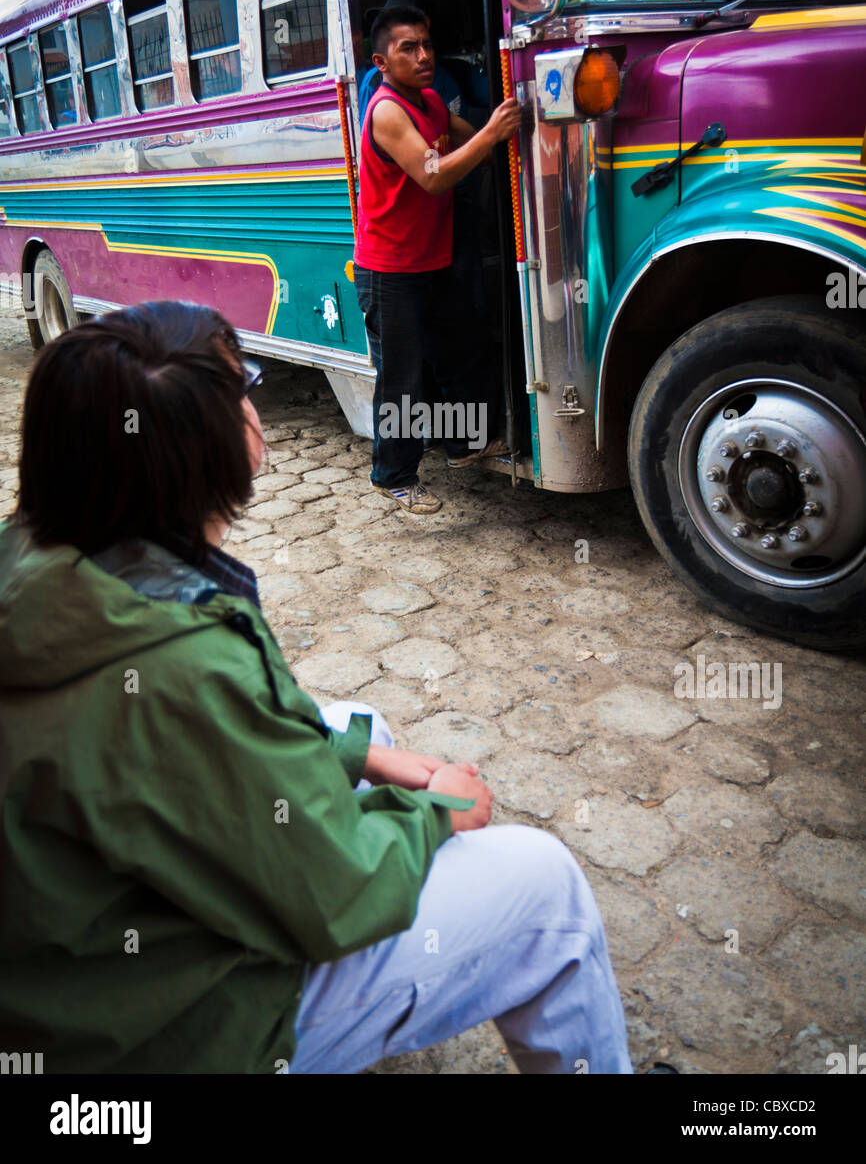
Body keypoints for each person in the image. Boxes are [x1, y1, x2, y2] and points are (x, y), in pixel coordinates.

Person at [0, 301, 632, 1075]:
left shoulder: (40, 556)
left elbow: (217, 743)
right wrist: (436, 812)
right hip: (162, 1034)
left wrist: (362, 756)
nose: (255, 405)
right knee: (544, 887)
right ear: (209, 447)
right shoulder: (181, 659)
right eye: (246, 388)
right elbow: (334, 892)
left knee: (364, 720)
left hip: (66, 975)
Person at [354, 5, 519, 514]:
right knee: (402, 376)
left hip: (432, 257)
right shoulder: (387, 111)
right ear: (382, 61)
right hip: (389, 267)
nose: (424, 55)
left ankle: (464, 445)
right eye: (409, 48)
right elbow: (434, 175)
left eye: (426, 43)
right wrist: (491, 135)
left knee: (457, 350)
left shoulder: (427, 99)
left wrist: (497, 137)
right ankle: (393, 475)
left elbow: (468, 142)